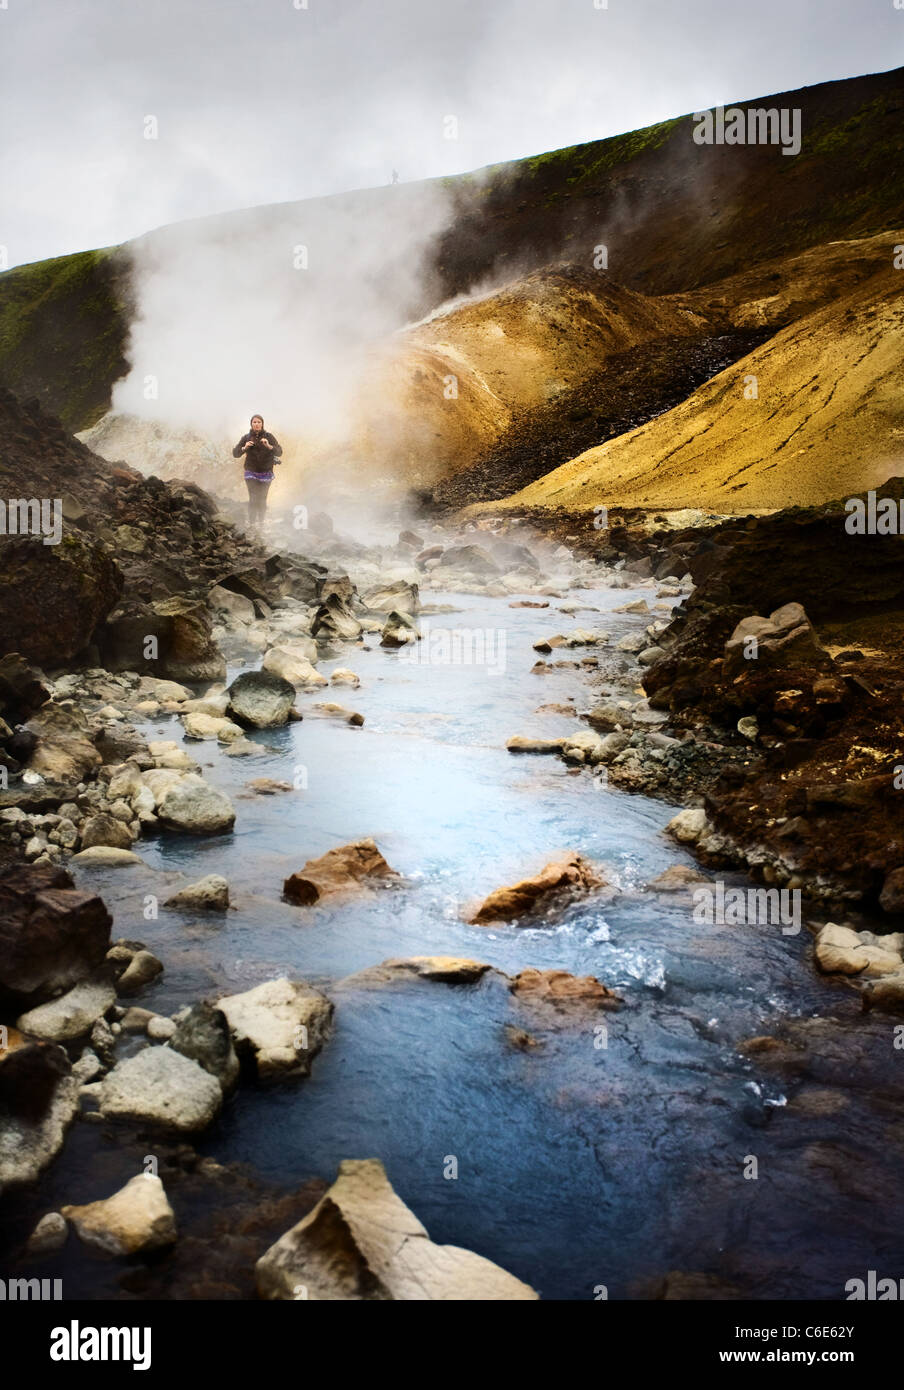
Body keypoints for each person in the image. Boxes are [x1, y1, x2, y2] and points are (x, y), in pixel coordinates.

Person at [232, 414, 283, 532]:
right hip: (251, 472)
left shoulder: (269, 437)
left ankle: (261, 523)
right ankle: (252, 523)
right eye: (254, 422)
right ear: (251, 424)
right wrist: (245, 447)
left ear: (262, 424)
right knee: (253, 497)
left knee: (263, 498)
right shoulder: (246, 437)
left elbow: (279, 452)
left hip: (266, 473)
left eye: (259, 422)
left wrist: (269, 446)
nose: (256, 424)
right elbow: (235, 453)